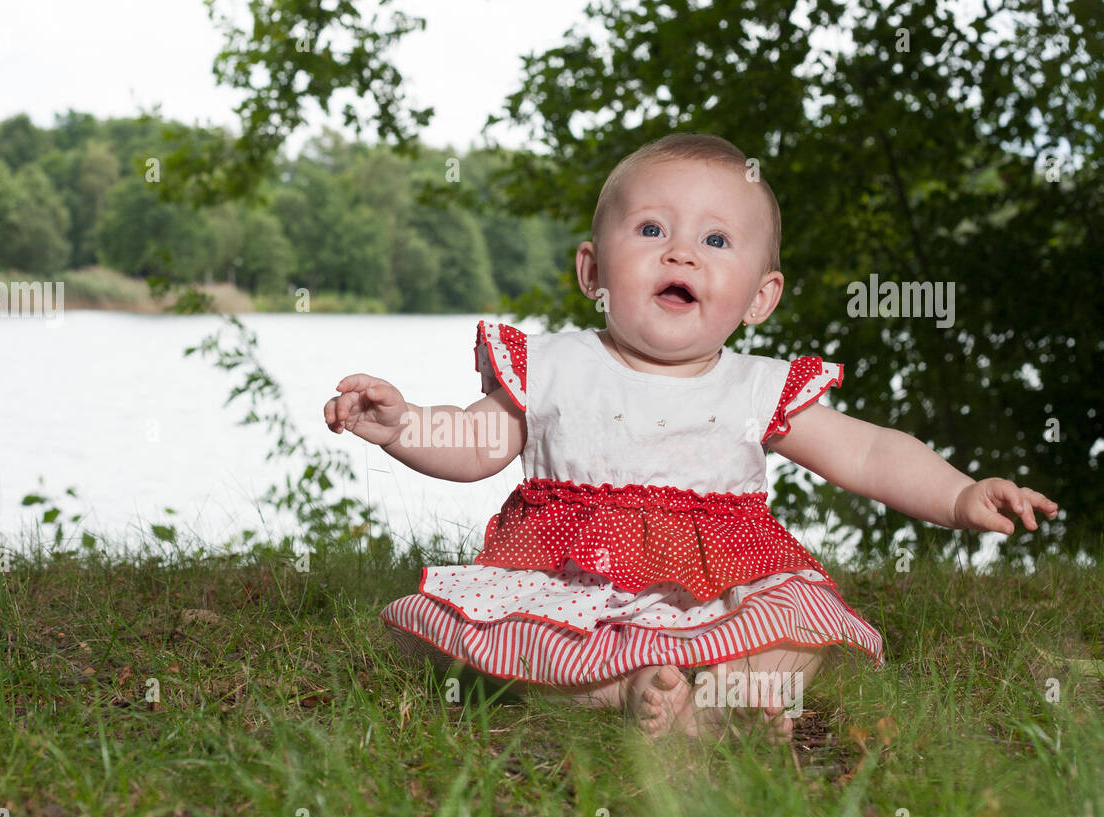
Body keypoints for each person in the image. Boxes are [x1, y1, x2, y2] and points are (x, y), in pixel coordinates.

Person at [323, 132, 1059, 743]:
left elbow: (867, 452)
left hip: (721, 588)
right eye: (651, 230)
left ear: (760, 297)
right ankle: (630, 692)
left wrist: (960, 494)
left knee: (797, 626)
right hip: (577, 589)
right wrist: (405, 425)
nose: (681, 255)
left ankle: (722, 698)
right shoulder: (552, 366)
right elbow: (476, 442)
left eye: (715, 239)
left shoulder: (756, 386)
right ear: (593, 269)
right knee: (479, 635)